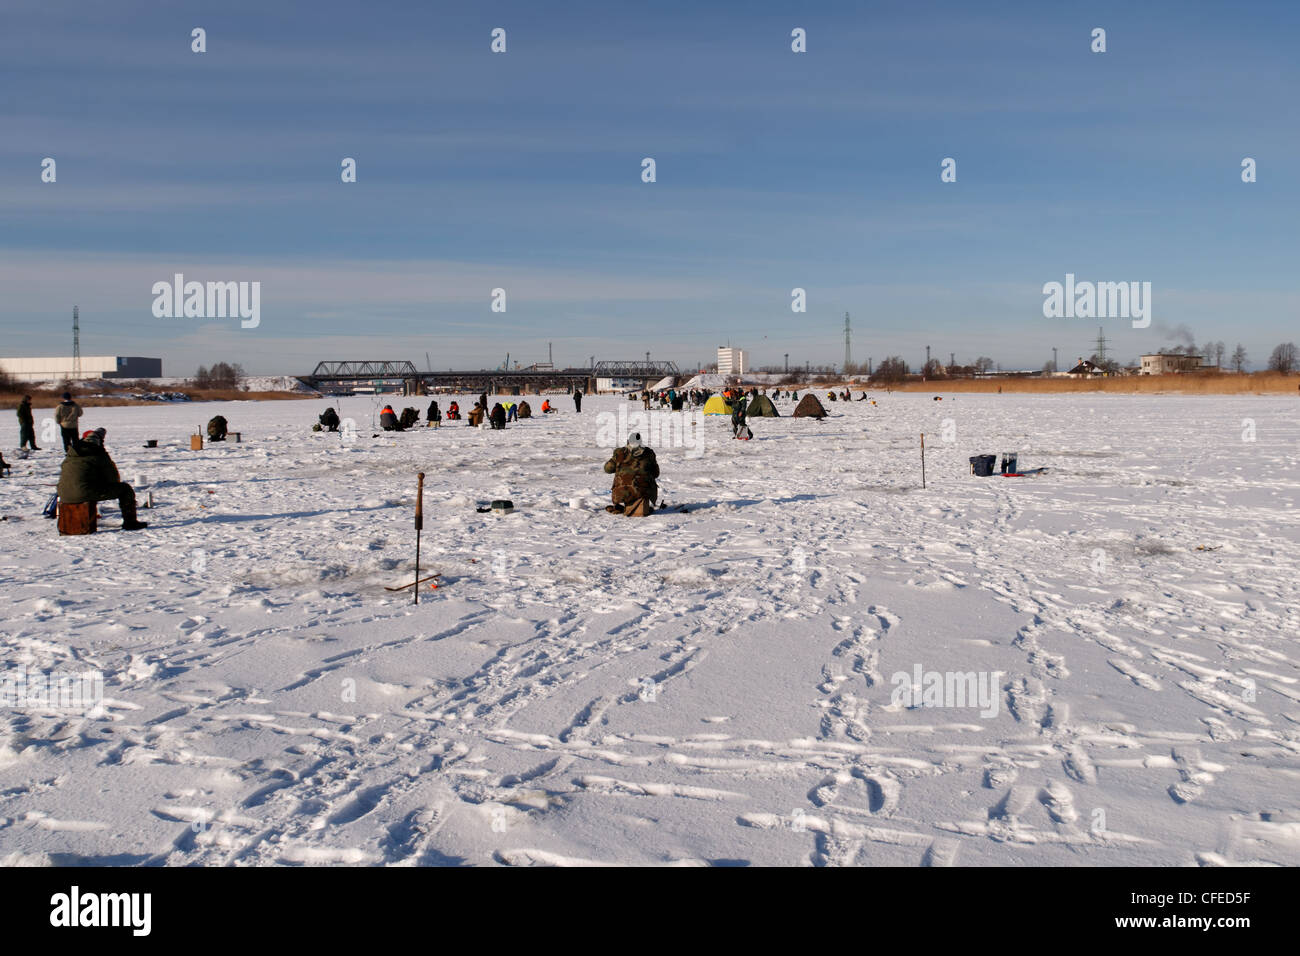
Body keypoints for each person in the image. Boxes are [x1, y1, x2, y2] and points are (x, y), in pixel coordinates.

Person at [57, 428, 147, 531]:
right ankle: (130, 523)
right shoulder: (99, 454)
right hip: (83, 493)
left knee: (86, 488)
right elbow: (113, 479)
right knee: (125, 489)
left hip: (64, 494)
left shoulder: (71, 455)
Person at [603, 432, 659, 516]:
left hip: (621, 493)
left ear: (628, 441)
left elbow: (608, 469)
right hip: (642, 492)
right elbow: (656, 473)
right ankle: (637, 506)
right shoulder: (649, 453)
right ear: (640, 442)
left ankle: (627, 506)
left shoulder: (619, 452)